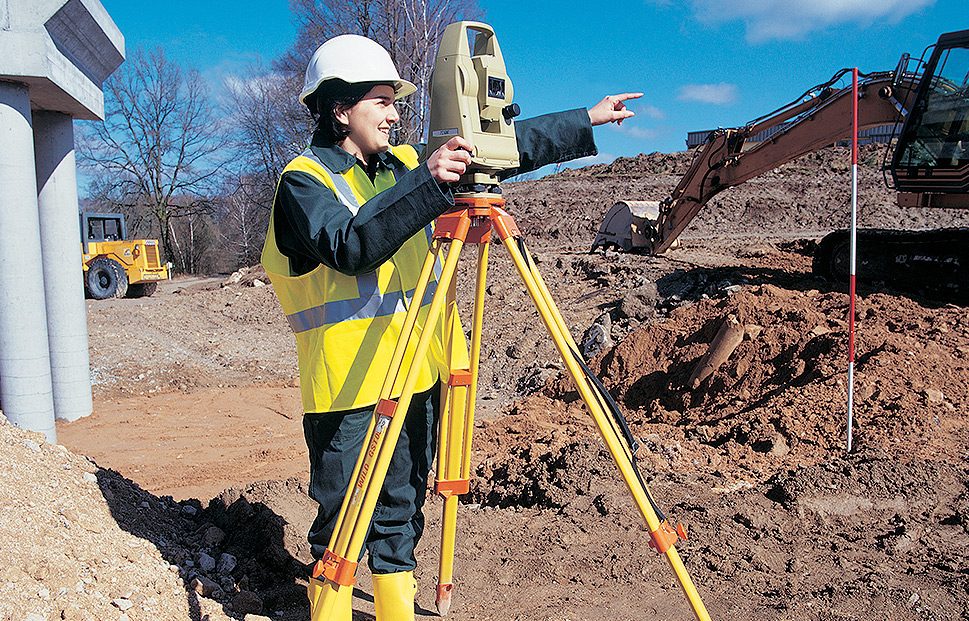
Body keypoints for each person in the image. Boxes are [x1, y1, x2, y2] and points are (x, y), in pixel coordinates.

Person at [260, 34, 641, 621]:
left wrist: (584, 119)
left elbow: (497, 148)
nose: (394, 115)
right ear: (340, 109)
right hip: (349, 390)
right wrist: (431, 184)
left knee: (401, 511)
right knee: (343, 521)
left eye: (395, 103)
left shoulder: (403, 166)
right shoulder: (304, 182)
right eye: (381, 101)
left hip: (415, 376)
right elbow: (350, 244)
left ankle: (396, 611)